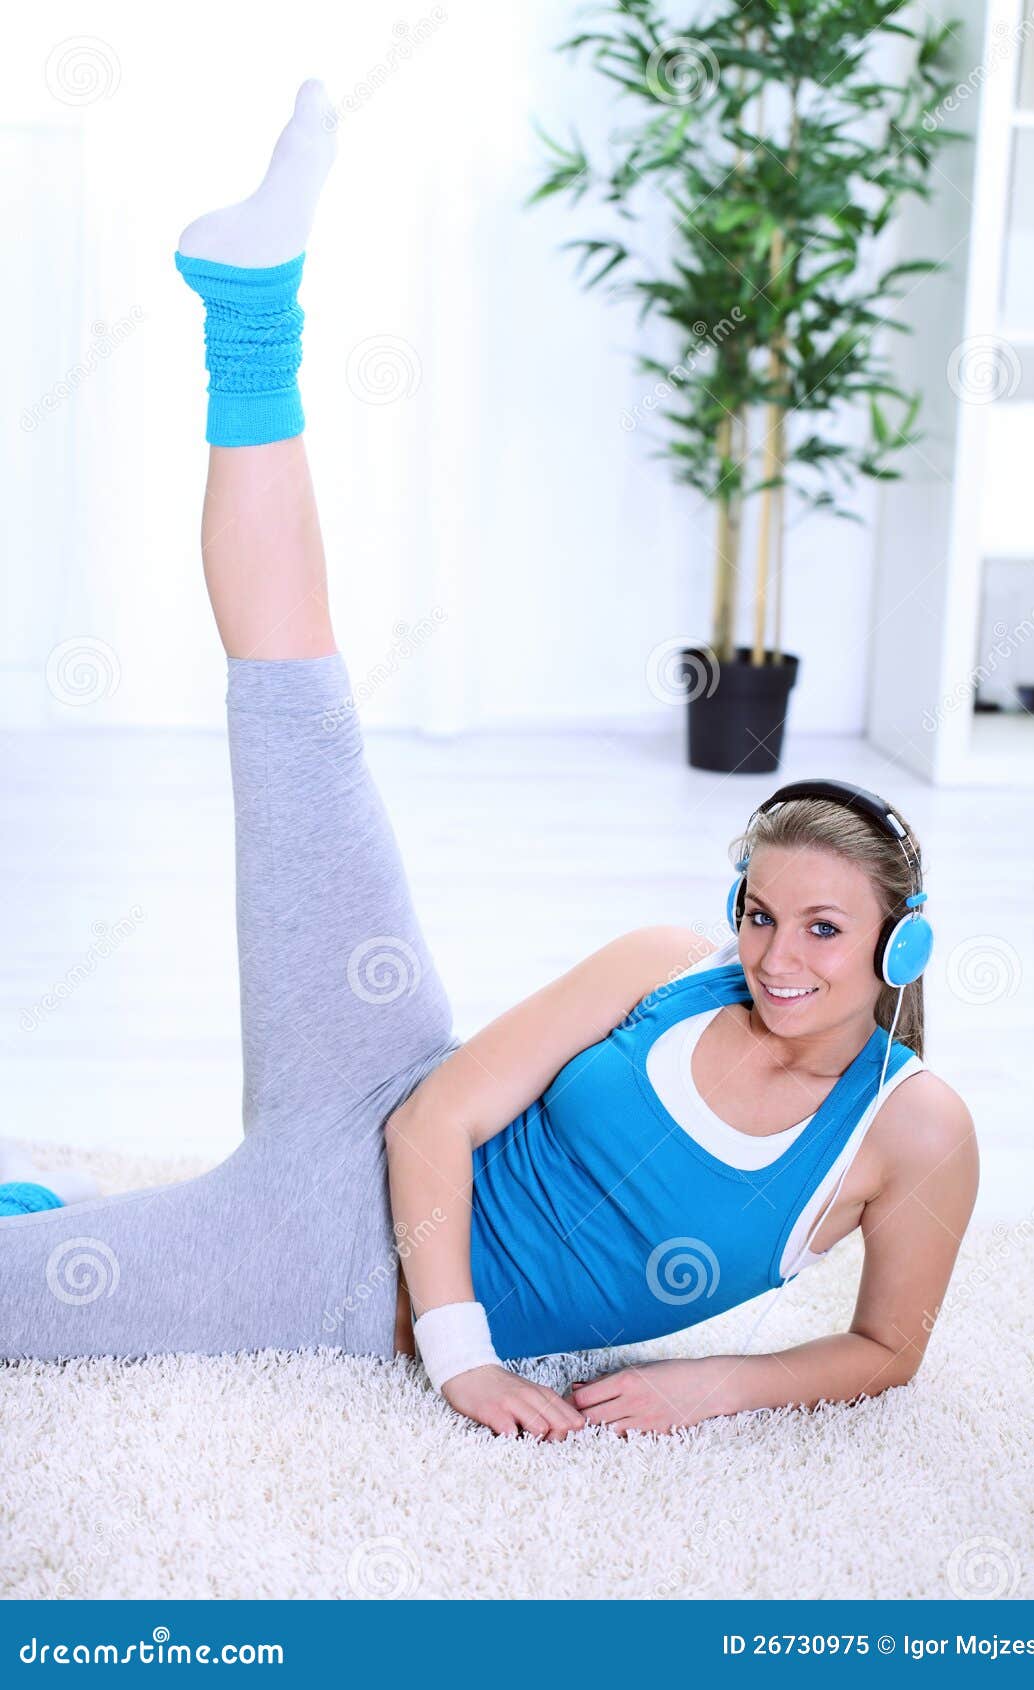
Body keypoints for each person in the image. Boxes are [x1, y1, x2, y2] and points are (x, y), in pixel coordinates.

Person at [0, 83, 979, 1440]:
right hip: (371, 1096)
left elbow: (886, 1344)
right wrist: (461, 1358)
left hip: (331, 1276)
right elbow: (430, 1121)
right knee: (301, 720)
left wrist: (728, 1380)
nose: (777, 953)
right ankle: (249, 307)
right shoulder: (661, 966)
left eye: (824, 926)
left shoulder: (912, 1131)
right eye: (760, 911)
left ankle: (51, 1221)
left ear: (904, 947)